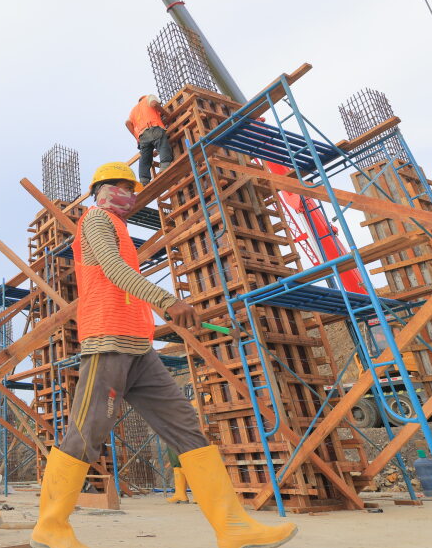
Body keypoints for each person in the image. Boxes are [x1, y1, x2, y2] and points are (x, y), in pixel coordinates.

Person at [29, 163, 297, 548]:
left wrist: (158, 315)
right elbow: (112, 269)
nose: (131, 195)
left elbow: (124, 284)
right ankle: (51, 526)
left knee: (186, 427)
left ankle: (232, 527)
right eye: (124, 186)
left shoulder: (119, 227)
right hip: (108, 343)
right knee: (86, 435)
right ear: (104, 189)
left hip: (139, 348)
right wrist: (166, 300)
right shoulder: (96, 220)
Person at [125, 94, 172, 186]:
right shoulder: (149, 97)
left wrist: (137, 137)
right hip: (153, 128)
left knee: (145, 158)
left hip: (142, 136)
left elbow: (127, 123)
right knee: (162, 145)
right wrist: (166, 114)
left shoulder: (133, 110)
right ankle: (165, 165)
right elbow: (154, 104)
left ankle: (144, 180)